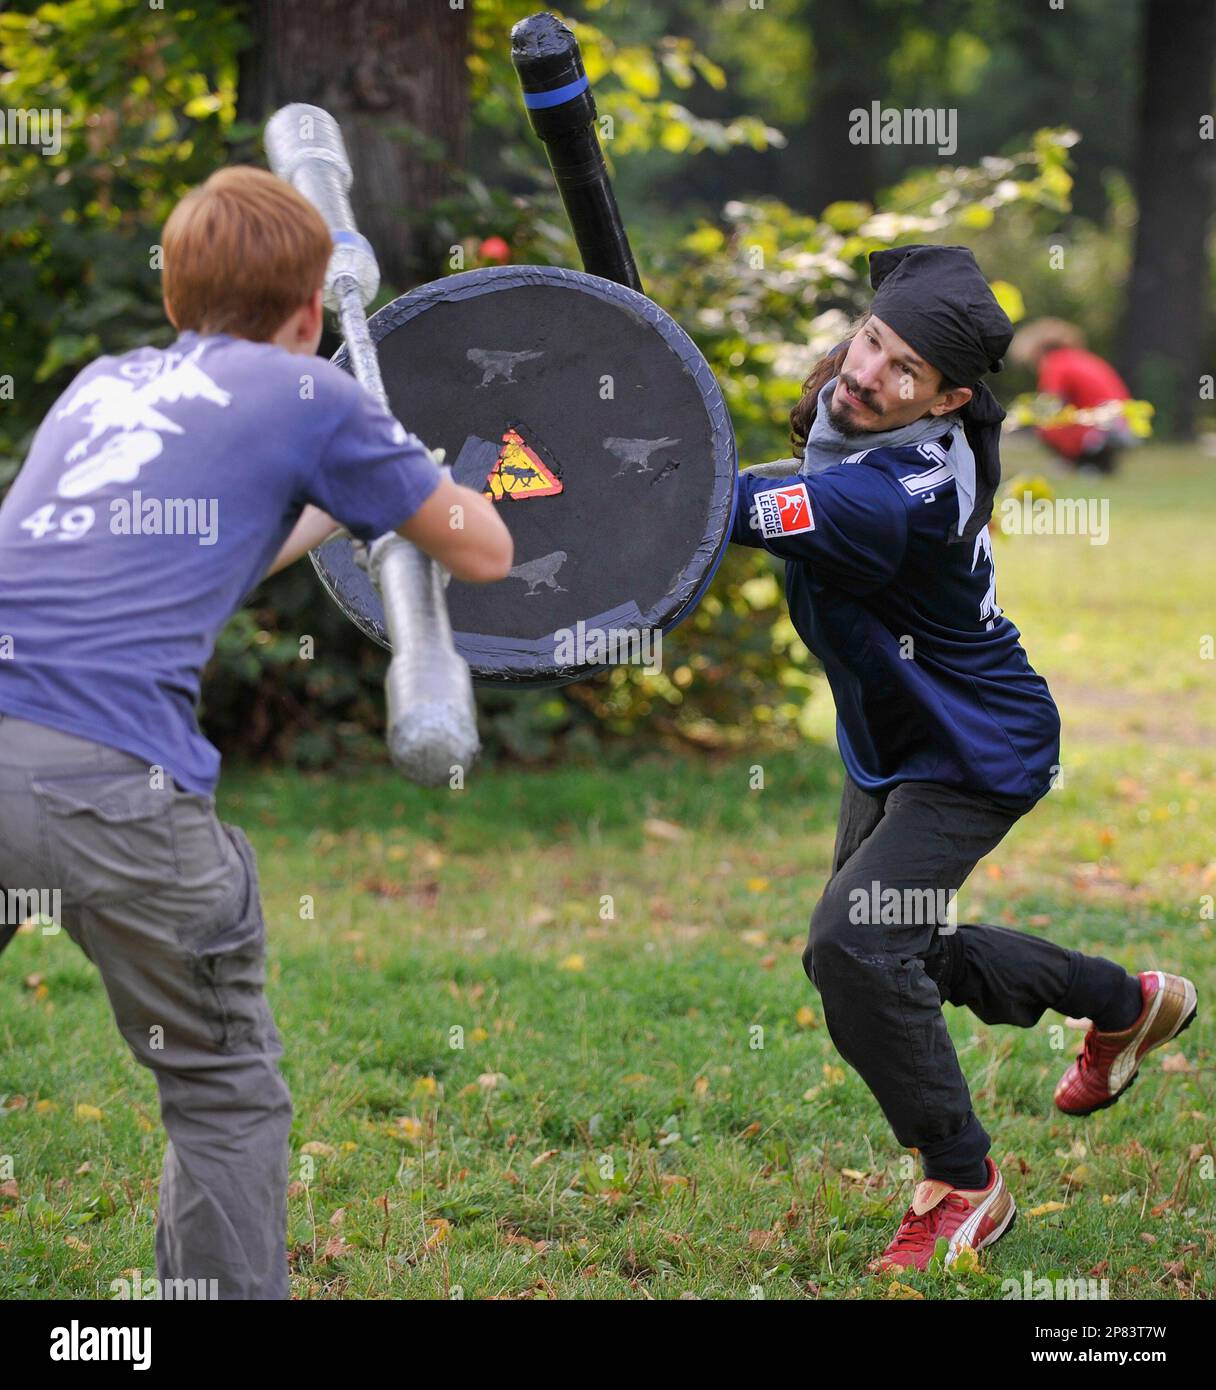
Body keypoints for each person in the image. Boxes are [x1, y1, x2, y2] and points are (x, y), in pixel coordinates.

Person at [0, 166, 513, 1298]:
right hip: (108, 783)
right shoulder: (312, 392)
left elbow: (191, 557)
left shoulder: (101, 388)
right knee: (220, 1086)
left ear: (174, 297)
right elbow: (483, 548)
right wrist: (425, 480)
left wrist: (343, 501)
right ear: (308, 314)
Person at [730, 245, 1197, 1274]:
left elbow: (754, 508)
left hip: (973, 747)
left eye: (904, 370)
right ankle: (1123, 1003)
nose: (867, 373)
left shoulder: (910, 489)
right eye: (870, 342)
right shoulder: (854, 405)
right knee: (874, 950)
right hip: (892, 741)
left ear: (948, 399)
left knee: (857, 947)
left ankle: (964, 1181)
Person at [1009, 317, 1134, 474]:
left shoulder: (1056, 364)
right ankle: (1096, 463)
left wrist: (1017, 420)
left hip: (1103, 429)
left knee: (1046, 425)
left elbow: (1050, 404)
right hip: (1124, 424)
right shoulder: (1080, 357)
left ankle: (1077, 462)